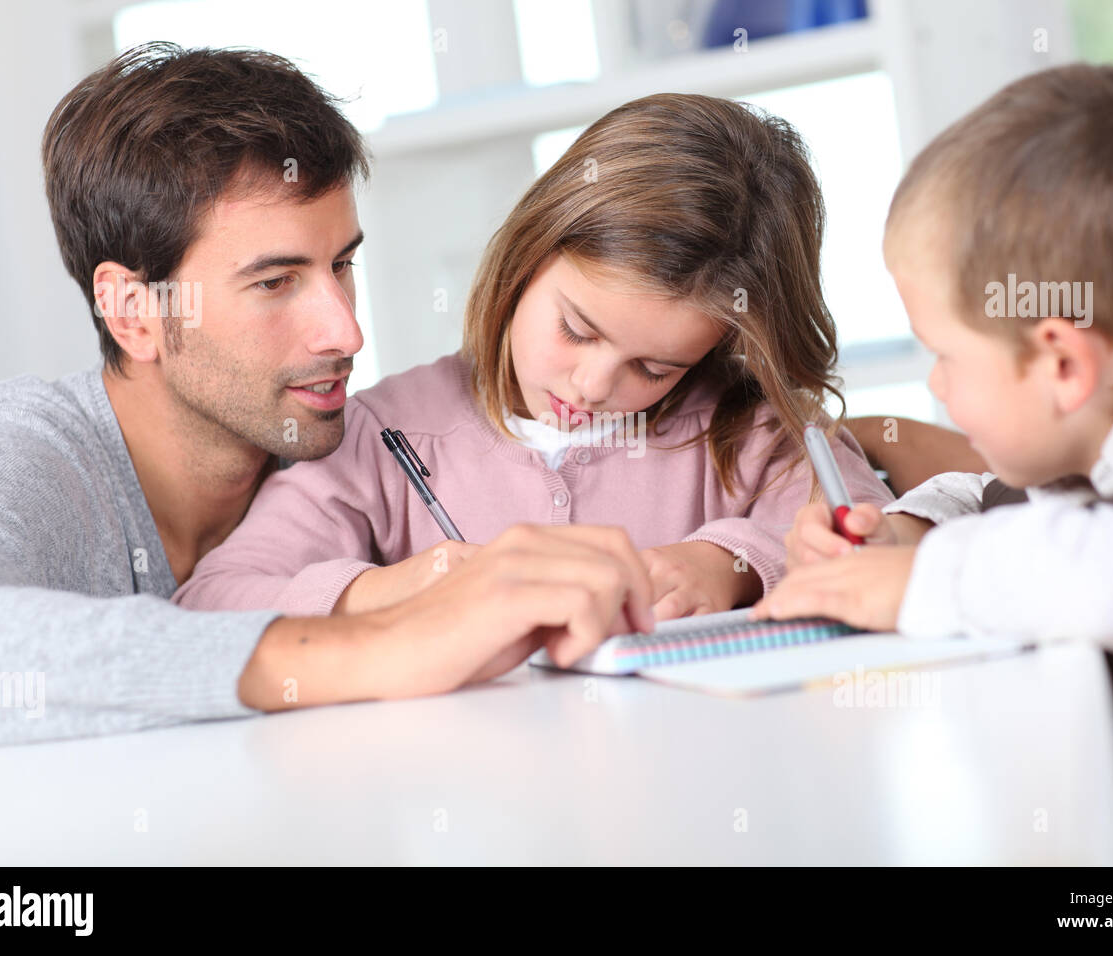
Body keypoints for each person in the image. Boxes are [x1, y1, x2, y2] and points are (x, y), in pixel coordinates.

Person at [0, 43, 655, 750]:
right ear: (134, 312)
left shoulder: (366, 448)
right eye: (274, 283)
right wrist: (384, 643)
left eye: (342, 265)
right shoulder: (35, 453)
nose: (347, 332)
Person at [757, 64, 1113, 864]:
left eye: (945, 355)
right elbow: (1006, 498)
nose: (935, 384)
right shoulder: (1110, 444)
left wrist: (920, 585)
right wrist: (907, 532)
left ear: (1060, 364)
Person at [176, 93, 892, 622]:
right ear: (526, 258)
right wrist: (398, 587)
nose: (591, 384)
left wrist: (729, 562)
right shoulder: (384, 437)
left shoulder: (749, 433)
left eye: (655, 368)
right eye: (577, 330)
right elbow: (215, 600)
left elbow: (866, 530)